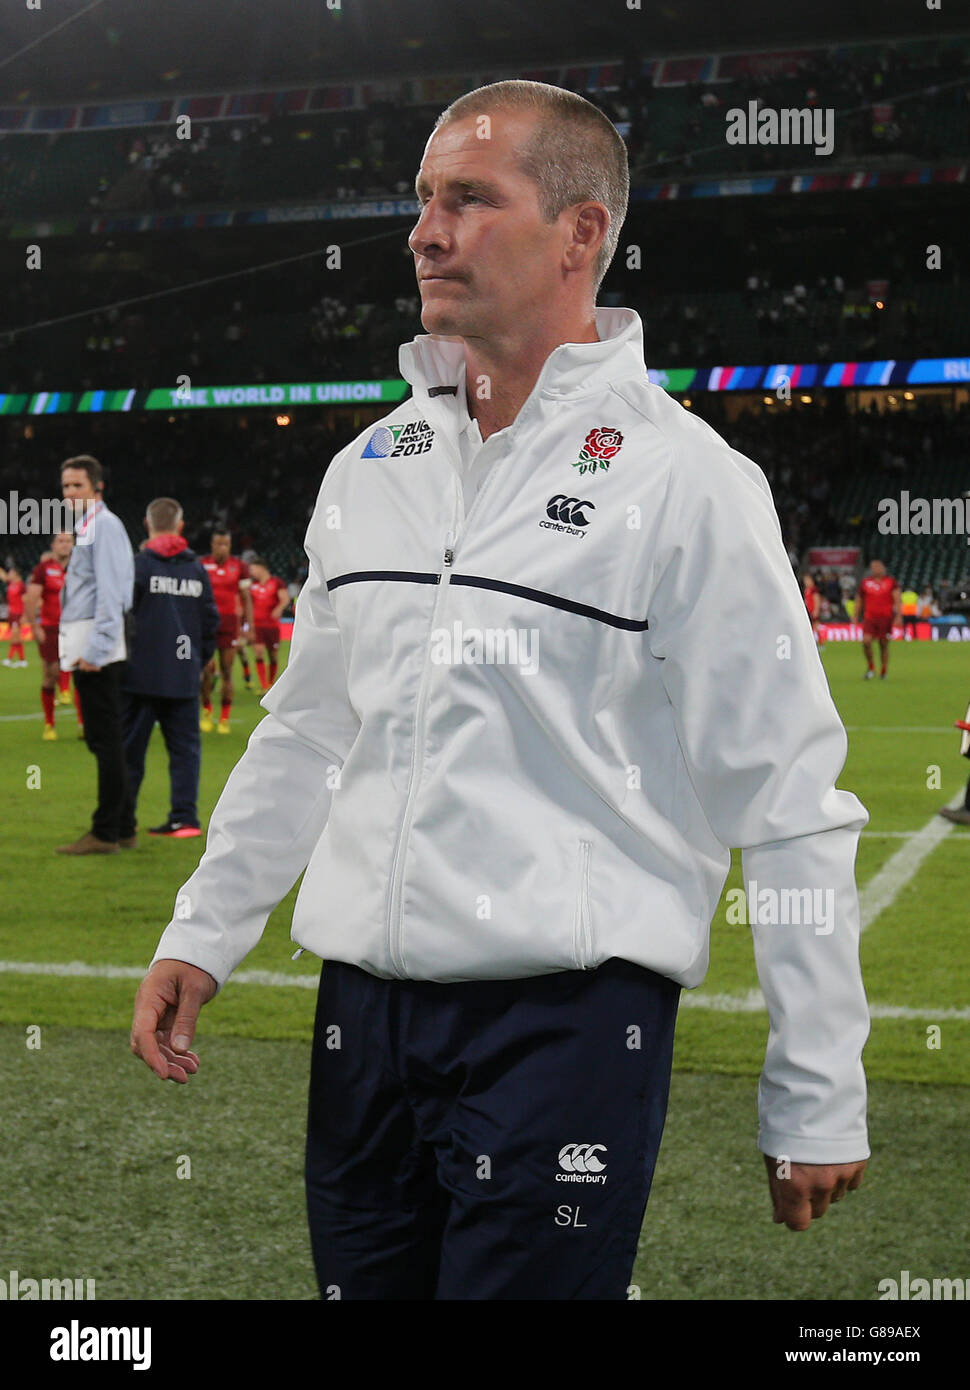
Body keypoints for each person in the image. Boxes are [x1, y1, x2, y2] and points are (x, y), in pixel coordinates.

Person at [132, 80, 870, 1301]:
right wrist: (203, 931)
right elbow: (309, 730)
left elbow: (786, 800)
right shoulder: (368, 467)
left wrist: (818, 1082)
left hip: (567, 1035)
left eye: (469, 198)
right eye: (423, 200)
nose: (424, 231)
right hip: (359, 1023)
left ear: (581, 233)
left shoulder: (689, 482)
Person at [120, 497, 219, 841]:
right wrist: (195, 659)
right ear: (180, 526)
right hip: (183, 678)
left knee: (129, 753)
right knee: (185, 754)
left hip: (139, 677)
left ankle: (123, 820)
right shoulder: (196, 569)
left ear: (148, 526)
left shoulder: (137, 566)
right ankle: (185, 819)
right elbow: (210, 622)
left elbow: (121, 617)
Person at [56, 454, 135, 855]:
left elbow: (112, 591)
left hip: (96, 648)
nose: (69, 494)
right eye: (66, 487)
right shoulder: (89, 526)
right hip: (89, 645)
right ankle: (123, 827)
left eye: (77, 486)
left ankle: (106, 832)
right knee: (106, 740)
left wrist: (98, 649)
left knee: (105, 741)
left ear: (97, 487)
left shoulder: (103, 526)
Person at [24, 532, 84, 740]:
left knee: (81, 675)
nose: (65, 545)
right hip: (51, 628)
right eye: (60, 541)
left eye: (68, 541)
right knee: (51, 675)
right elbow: (30, 599)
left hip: (76, 627)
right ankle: (49, 724)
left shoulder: (81, 567)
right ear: (53, 545)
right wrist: (35, 626)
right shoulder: (43, 569)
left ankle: (82, 724)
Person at [199, 531, 252, 734]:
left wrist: (249, 626)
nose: (223, 548)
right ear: (212, 544)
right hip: (205, 623)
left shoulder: (239, 566)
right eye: (219, 544)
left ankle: (224, 718)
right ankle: (207, 711)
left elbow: (246, 598)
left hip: (229, 625)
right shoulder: (202, 564)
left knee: (228, 671)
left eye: (226, 544)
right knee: (206, 671)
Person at [856, 558, 902, 680]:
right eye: (873, 567)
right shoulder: (865, 583)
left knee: (883, 644)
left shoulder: (891, 582)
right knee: (866, 641)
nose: (876, 569)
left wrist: (898, 616)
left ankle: (883, 670)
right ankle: (871, 667)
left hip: (885, 618)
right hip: (870, 617)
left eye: (878, 566)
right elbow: (859, 599)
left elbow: (897, 599)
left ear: (883, 568)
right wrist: (855, 614)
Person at [248, 556, 288, 690]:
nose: (251, 572)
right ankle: (264, 685)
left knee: (273, 655)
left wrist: (278, 608)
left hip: (272, 625)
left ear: (262, 568)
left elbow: (285, 599)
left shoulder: (277, 583)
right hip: (256, 625)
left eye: (253, 569)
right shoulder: (252, 585)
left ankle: (270, 682)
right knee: (258, 652)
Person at [1, 563, 27, 666]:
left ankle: (12, 659)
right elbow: (2, 575)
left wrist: (25, 616)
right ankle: (21, 661)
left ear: (16, 574)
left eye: (11, 572)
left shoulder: (21, 586)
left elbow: (25, 601)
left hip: (18, 614)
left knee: (15, 637)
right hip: (11, 614)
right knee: (15, 637)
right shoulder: (11, 584)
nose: (9, 574)